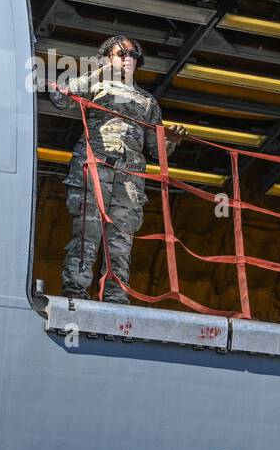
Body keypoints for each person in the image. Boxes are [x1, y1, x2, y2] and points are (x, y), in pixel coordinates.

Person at [48, 35, 185, 303]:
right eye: (120, 54)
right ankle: (75, 292)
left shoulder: (148, 103)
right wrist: (100, 72)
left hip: (129, 178)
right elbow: (60, 98)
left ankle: (116, 298)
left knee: (121, 242)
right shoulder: (96, 85)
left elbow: (156, 151)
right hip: (94, 169)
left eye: (132, 55)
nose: (127, 59)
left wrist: (172, 141)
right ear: (107, 58)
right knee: (87, 234)